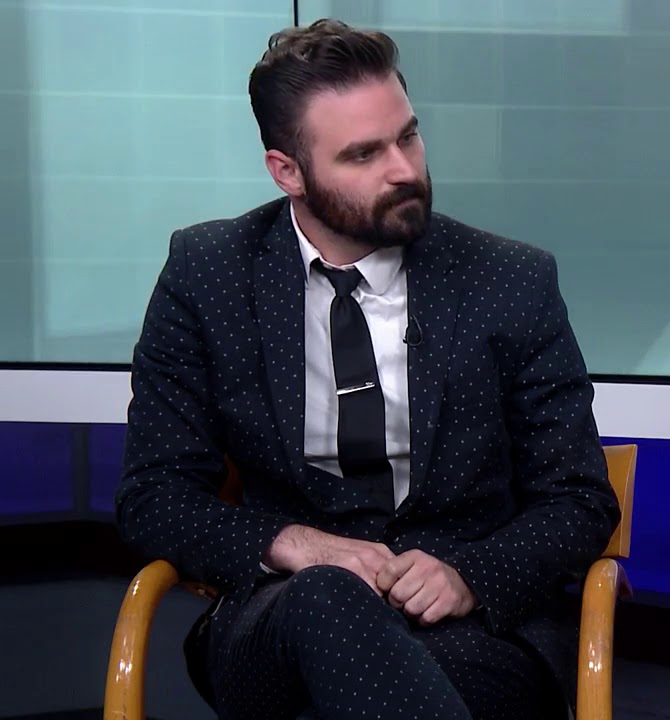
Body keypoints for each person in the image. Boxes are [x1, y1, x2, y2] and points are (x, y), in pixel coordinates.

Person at [115, 18, 620, 720]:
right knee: (327, 596)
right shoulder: (211, 275)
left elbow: (579, 498)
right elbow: (154, 495)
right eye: (363, 154)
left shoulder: (508, 280)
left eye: (408, 136)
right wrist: (295, 546)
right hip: (281, 619)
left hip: (470, 632)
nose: (404, 170)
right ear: (287, 171)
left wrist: (472, 575)